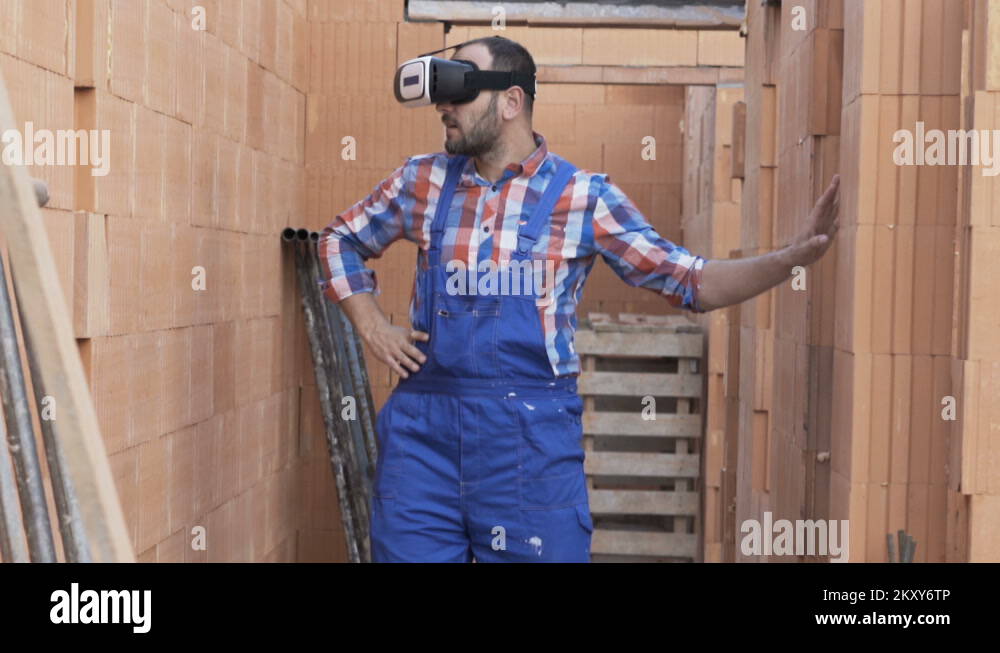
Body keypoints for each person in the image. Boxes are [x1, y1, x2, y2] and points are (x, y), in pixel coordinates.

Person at [319, 36, 840, 562]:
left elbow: (690, 280)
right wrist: (369, 323)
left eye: (460, 90)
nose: (443, 107)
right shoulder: (422, 181)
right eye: (442, 93)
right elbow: (339, 238)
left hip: (529, 447)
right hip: (423, 442)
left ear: (510, 101)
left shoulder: (585, 198)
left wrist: (788, 260)